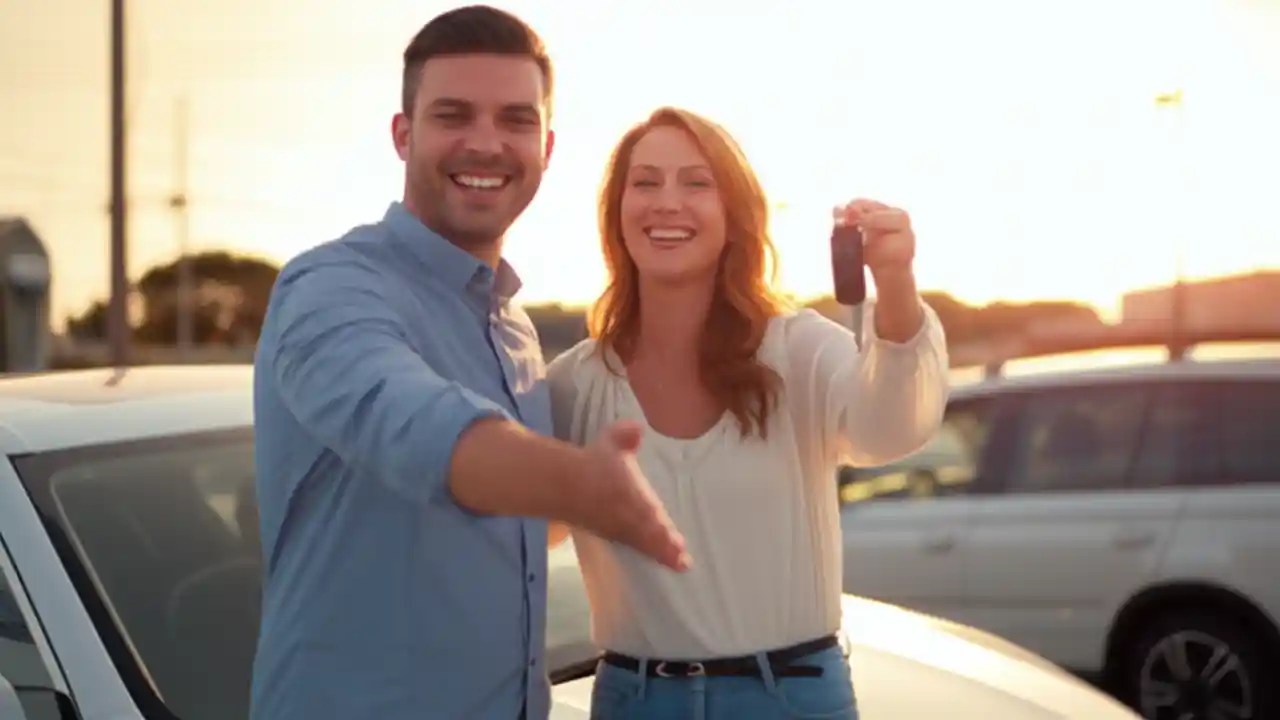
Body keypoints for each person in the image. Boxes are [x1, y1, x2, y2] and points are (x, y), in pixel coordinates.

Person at [249, 7, 689, 720]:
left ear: (546, 146)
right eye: (454, 115)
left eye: (516, 121)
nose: (486, 144)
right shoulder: (326, 288)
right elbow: (407, 418)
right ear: (403, 134)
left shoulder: (513, 330)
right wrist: (572, 482)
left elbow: (493, 527)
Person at [547, 107, 950, 719]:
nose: (667, 202)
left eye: (697, 182)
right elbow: (516, 538)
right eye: (646, 182)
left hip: (788, 697)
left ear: (734, 215)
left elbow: (890, 428)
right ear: (616, 213)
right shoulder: (575, 384)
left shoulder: (799, 352)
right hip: (635, 701)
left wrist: (893, 279)